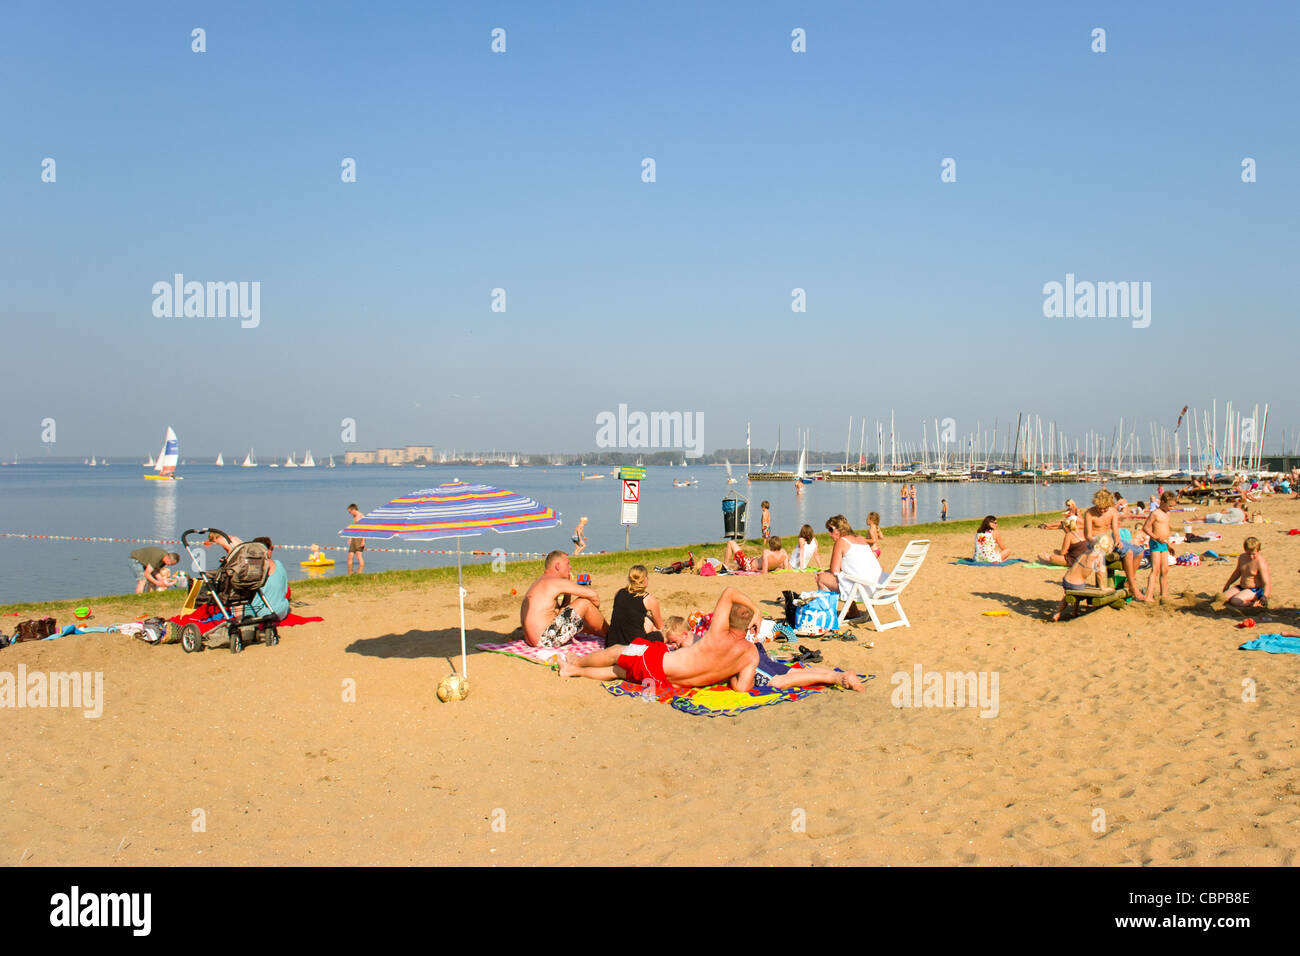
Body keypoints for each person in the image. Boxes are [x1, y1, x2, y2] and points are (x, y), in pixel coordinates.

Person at [558, 587, 761, 692]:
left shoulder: (717, 634)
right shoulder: (750, 653)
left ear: (727, 618)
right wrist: (729, 674)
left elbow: (729, 592)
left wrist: (756, 609)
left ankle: (576, 663)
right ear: (748, 624)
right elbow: (742, 688)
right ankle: (574, 670)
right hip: (667, 683)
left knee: (617, 652)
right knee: (618, 671)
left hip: (656, 663)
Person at [520, 550, 608, 647]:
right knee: (584, 602)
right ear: (557, 566)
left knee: (581, 622)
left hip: (535, 640)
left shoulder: (541, 582)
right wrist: (594, 610)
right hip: (545, 639)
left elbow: (559, 615)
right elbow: (593, 595)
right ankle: (612, 634)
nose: (570, 567)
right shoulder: (555, 582)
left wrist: (567, 594)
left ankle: (604, 632)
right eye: (567, 564)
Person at [814, 515, 885, 608]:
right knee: (847, 580)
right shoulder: (861, 539)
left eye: (831, 530)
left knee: (821, 578)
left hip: (863, 588)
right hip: (876, 585)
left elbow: (835, 572)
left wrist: (823, 573)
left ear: (839, 530)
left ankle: (827, 613)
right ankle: (853, 612)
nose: (829, 533)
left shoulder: (841, 542)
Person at [1086, 489, 1144, 601]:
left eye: (1105, 508)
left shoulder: (1112, 512)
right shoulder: (1089, 513)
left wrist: (1118, 540)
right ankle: (1133, 587)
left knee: (1140, 552)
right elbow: (1087, 535)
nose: (1102, 511)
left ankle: (1128, 582)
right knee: (1129, 553)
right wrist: (1097, 542)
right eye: (1100, 508)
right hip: (1096, 543)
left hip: (1110, 541)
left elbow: (1116, 532)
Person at [1051, 534, 1113, 622]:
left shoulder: (1088, 550)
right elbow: (1099, 574)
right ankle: (1066, 612)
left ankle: (1061, 612)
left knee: (1069, 594)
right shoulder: (1099, 555)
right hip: (1076, 584)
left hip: (1066, 579)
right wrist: (1103, 587)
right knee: (1077, 592)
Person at [605, 565, 664, 644]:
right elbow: (660, 626)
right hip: (634, 644)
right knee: (658, 632)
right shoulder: (648, 599)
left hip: (612, 642)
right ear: (645, 579)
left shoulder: (619, 593)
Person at [1141, 491, 1178, 603]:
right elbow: (1146, 528)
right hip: (1156, 543)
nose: (1171, 508)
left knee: (1165, 570)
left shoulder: (1168, 513)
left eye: (1172, 506)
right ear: (1162, 502)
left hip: (1164, 543)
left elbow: (1167, 529)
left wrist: (1169, 545)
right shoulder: (1155, 513)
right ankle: (1149, 595)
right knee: (1155, 569)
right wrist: (1156, 538)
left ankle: (1164, 594)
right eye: (1169, 505)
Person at [1217, 537, 1271, 608]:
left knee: (1235, 601)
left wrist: (1265, 596)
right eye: (1249, 554)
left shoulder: (1260, 562)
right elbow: (1237, 572)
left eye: (1254, 554)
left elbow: (1267, 582)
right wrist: (1228, 584)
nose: (1251, 557)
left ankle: (1255, 604)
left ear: (1258, 550)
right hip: (1242, 586)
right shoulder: (1242, 557)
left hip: (1255, 590)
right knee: (1222, 597)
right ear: (1245, 550)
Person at [346, 504, 366, 573]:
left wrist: (363, 540)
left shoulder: (361, 516)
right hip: (354, 538)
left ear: (353, 510)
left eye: (350, 512)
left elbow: (365, 529)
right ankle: (350, 572)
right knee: (350, 556)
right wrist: (350, 538)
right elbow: (353, 528)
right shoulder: (354, 517)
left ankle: (360, 572)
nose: (350, 514)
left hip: (360, 538)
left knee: (358, 556)